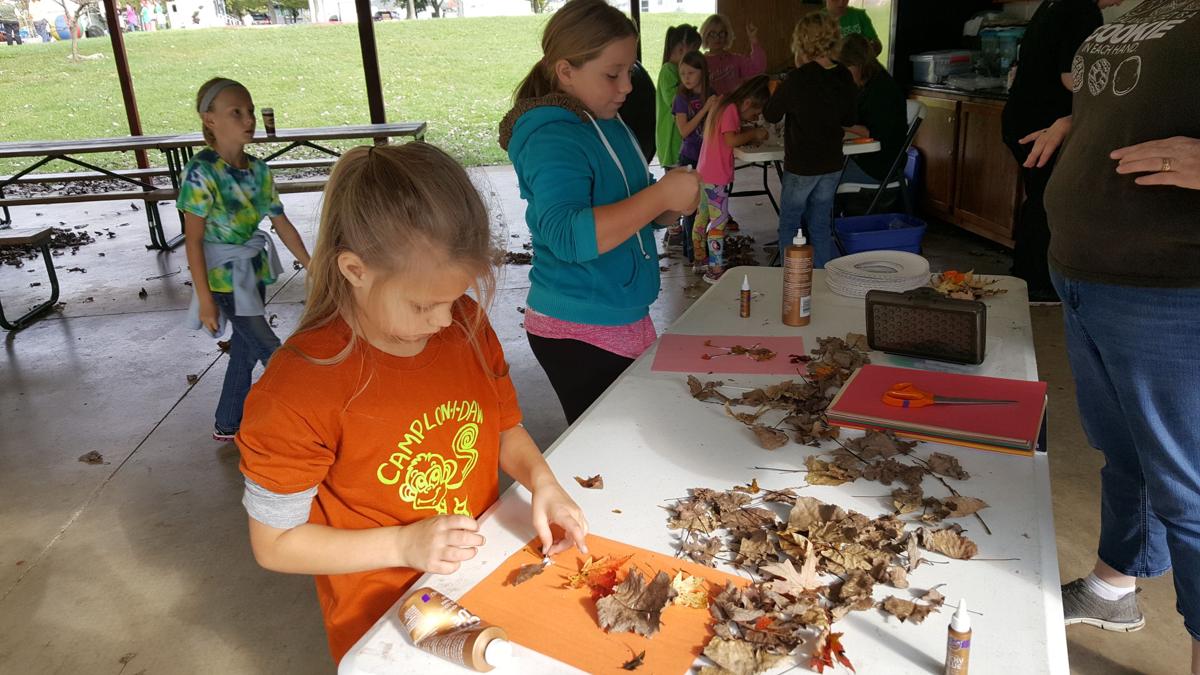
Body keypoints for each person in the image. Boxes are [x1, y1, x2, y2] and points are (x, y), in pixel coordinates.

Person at [236, 141, 590, 665]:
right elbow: (275, 543)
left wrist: (543, 482)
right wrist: (403, 546)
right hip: (384, 622)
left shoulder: (465, 323)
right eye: (424, 304)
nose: (445, 320)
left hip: (481, 574)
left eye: (454, 297)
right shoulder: (297, 391)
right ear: (355, 270)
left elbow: (502, 427)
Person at [1021, 0, 1200, 669]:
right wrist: (1086, 123)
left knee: (1189, 493)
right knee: (1124, 454)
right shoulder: (1151, 6)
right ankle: (1114, 588)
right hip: (1087, 274)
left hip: (1171, 287)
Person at [499, 0, 700, 425]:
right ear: (566, 71)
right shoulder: (551, 136)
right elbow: (568, 237)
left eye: (630, 71)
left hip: (622, 313)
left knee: (631, 433)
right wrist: (660, 195)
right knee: (609, 443)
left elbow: (635, 208)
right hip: (577, 326)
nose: (626, 86)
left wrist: (670, 206)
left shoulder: (607, 119)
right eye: (613, 74)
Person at [178, 77, 311, 442]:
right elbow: (194, 241)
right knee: (272, 351)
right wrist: (205, 297)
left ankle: (227, 421)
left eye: (249, 111)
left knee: (244, 350)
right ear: (210, 120)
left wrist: (311, 264)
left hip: (253, 273)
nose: (248, 119)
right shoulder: (202, 172)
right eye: (235, 112)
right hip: (224, 280)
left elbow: (281, 223)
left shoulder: (259, 171)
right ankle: (304, 423)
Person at [1002, 0, 1120, 304]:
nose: (1121, 2)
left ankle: (1026, 277)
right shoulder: (1082, 10)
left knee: (1040, 198)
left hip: (1022, 117)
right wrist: (1119, 94)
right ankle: (1038, 283)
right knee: (1049, 201)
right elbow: (1072, 77)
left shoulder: (1054, 4)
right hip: (1044, 124)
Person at [765, 12, 857, 269]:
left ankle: (791, 277)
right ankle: (823, 276)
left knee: (790, 222)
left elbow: (771, 114)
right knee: (820, 223)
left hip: (802, 165)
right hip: (832, 163)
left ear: (802, 42)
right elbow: (850, 118)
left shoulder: (798, 78)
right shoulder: (843, 75)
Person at [692, 75, 771, 283]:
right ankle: (715, 269)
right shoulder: (731, 110)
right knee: (718, 222)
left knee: (701, 217)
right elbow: (731, 140)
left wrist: (748, 130)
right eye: (755, 113)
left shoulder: (722, 103)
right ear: (747, 103)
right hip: (717, 176)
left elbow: (726, 133)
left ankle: (700, 260)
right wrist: (754, 133)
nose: (753, 118)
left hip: (704, 172)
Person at [837, 33, 908, 186]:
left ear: (860, 64)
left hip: (879, 167)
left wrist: (842, 124)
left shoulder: (883, 91)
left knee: (819, 178)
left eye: (846, 68)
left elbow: (877, 134)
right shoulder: (864, 84)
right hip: (863, 158)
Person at [672, 50, 716, 262]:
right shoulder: (681, 99)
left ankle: (706, 247)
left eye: (691, 73)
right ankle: (693, 252)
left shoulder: (712, 94)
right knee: (690, 207)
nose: (686, 78)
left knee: (707, 206)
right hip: (690, 157)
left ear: (702, 72)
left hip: (709, 157)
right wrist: (705, 109)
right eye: (682, 73)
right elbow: (684, 130)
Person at [655, 24, 702, 169]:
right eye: (695, 51)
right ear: (681, 49)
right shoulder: (668, 70)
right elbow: (674, 102)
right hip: (672, 139)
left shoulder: (679, 70)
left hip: (684, 139)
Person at [700, 13, 765, 96]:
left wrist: (753, 39)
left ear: (727, 36)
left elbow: (758, 68)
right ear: (705, 36)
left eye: (721, 33)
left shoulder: (735, 59)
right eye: (712, 34)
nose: (717, 38)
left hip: (734, 102)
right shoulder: (701, 62)